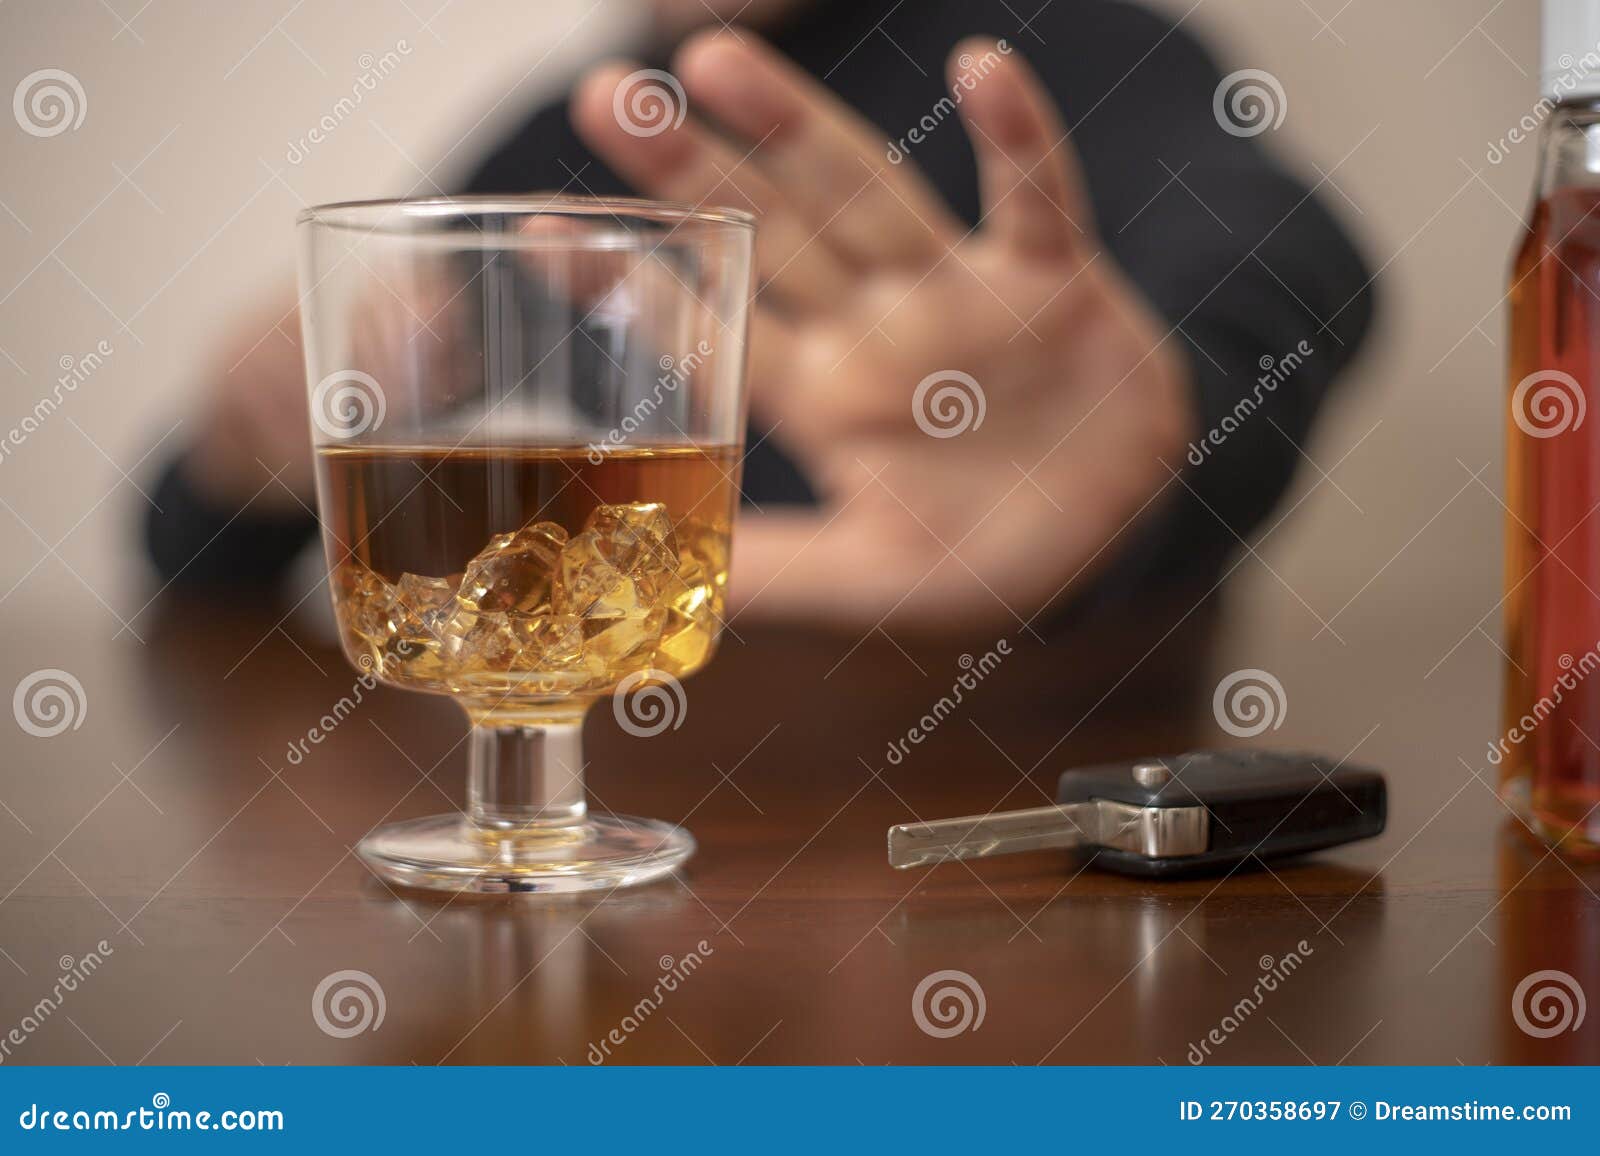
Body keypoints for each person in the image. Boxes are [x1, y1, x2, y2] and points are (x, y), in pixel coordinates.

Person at [145, 0, 1374, 631]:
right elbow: (187, 552)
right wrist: (242, 458)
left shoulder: (1074, 47)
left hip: (1030, 824)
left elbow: (1293, 257)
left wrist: (1174, 409)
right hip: (628, 847)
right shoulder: (560, 132)